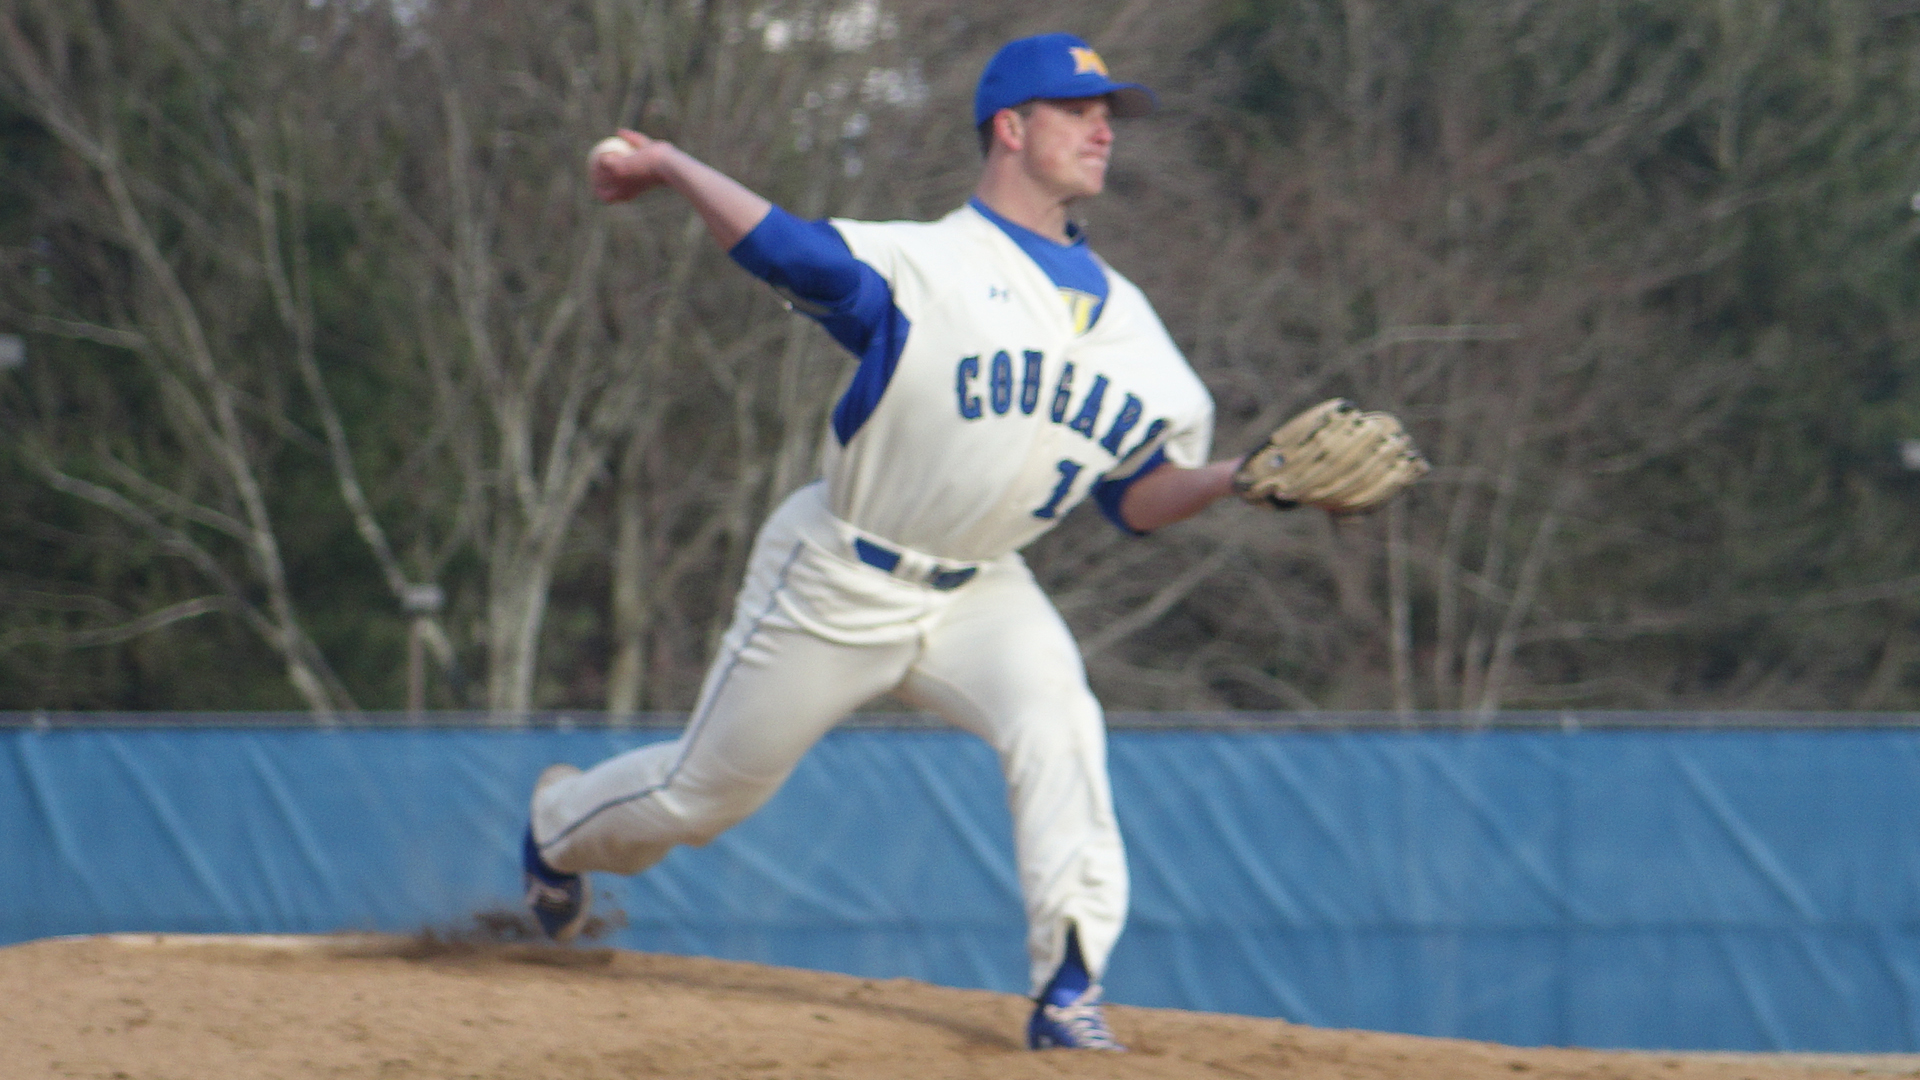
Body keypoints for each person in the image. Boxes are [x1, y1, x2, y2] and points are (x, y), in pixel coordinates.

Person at [522, 32, 1245, 1051]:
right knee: (701, 796)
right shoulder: (926, 264)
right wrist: (675, 166)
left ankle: (1069, 990)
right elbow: (790, 252)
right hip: (839, 571)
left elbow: (1133, 497)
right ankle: (558, 827)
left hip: (984, 590)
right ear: (1010, 127)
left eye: (1108, 115)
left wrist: (1240, 480)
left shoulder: (1134, 328)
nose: (1103, 131)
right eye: (1080, 111)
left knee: (1062, 725)